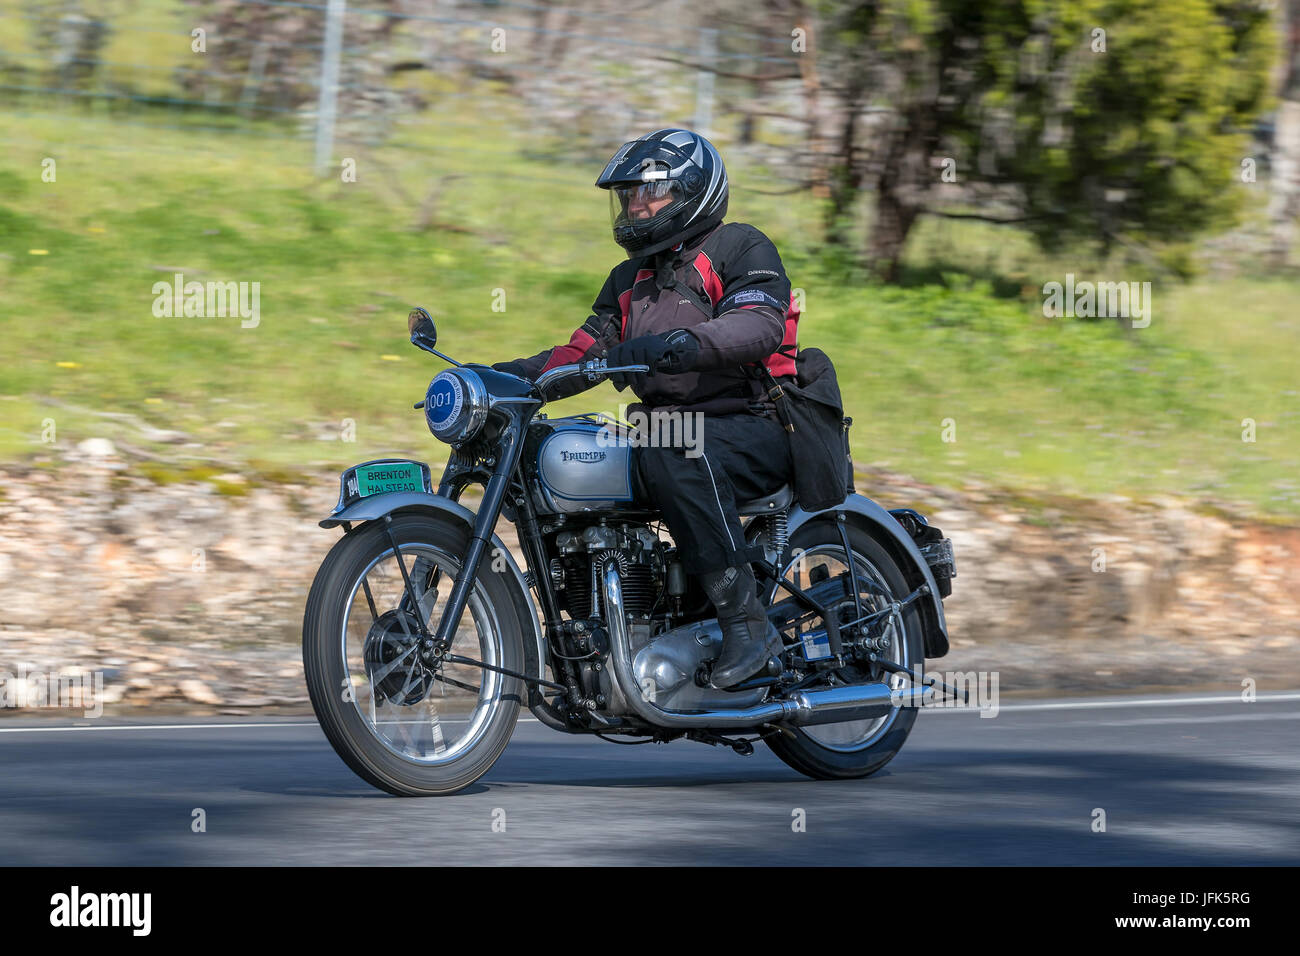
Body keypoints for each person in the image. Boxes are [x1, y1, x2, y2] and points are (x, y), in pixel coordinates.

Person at [493, 128, 799, 688]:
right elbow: (581, 353)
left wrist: (685, 345)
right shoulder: (627, 279)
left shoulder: (739, 246)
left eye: (649, 193)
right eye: (629, 196)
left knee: (669, 443)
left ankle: (746, 624)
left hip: (753, 423)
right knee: (552, 452)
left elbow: (759, 322)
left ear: (692, 190)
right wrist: (502, 379)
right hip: (670, 430)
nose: (636, 206)